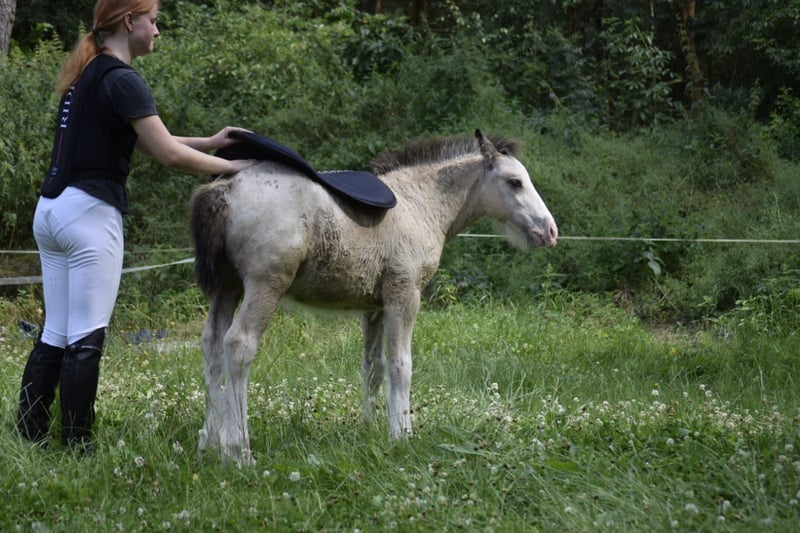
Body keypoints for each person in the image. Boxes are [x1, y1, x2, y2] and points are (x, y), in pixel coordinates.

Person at [16, 0, 256, 450]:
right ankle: (76, 446)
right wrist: (237, 168)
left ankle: (29, 433)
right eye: (154, 21)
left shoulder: (88, 73)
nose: (158, 31)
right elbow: (168, 154)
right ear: (130, 22)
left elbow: (145, 138)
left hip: (51, 212)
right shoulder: (123, 79)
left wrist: (210, 142)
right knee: (86, 336)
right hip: (89, 215)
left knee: (57, 331)